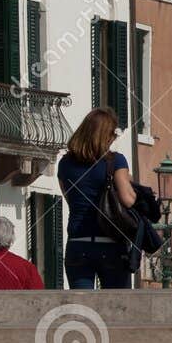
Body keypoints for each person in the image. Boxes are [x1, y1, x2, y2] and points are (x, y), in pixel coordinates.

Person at [57, 108, 135, 289]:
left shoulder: (65, 164)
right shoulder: (116, 161)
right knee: (118, 309)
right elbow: (128, 199)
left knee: (84, 308)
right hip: (111, 243)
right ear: (105, 136)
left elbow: (71, 199)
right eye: (113, 134)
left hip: (78, 243)